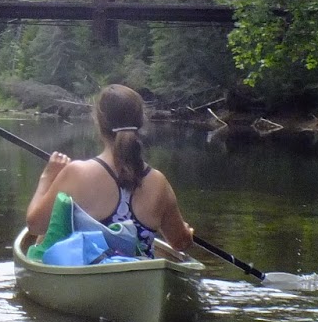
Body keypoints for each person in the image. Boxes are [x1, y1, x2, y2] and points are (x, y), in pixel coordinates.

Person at [25, 83, 194, 257]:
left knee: (42, 239)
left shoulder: (77, 173)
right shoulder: (158, 181)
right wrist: (187, 234)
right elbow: (179, 243)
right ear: (140, 122)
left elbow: (35, 226)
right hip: (138, 277)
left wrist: (47, 177)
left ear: (98, 122)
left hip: (86, 277)